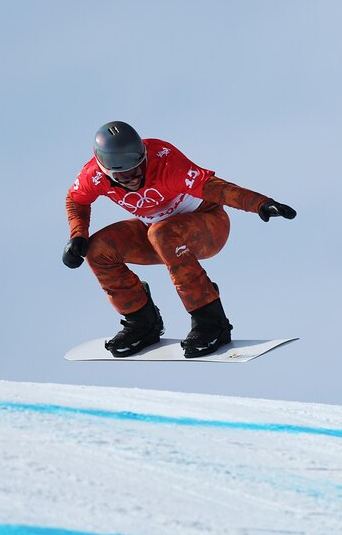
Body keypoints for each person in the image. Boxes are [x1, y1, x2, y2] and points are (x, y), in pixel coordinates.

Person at [62, 121, 296, 358]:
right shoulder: (93, 176)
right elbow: (76, 200)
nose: (134, 178)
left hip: (208, 224)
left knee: (161, 233)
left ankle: (211, 323)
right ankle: (142, 323)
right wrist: (78, 234)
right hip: (157, 231)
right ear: (106, 171)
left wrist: (260, 203)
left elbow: (216, 188)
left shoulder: (165, 163)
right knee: (98, 250)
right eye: (124, 175)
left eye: (139, 168)